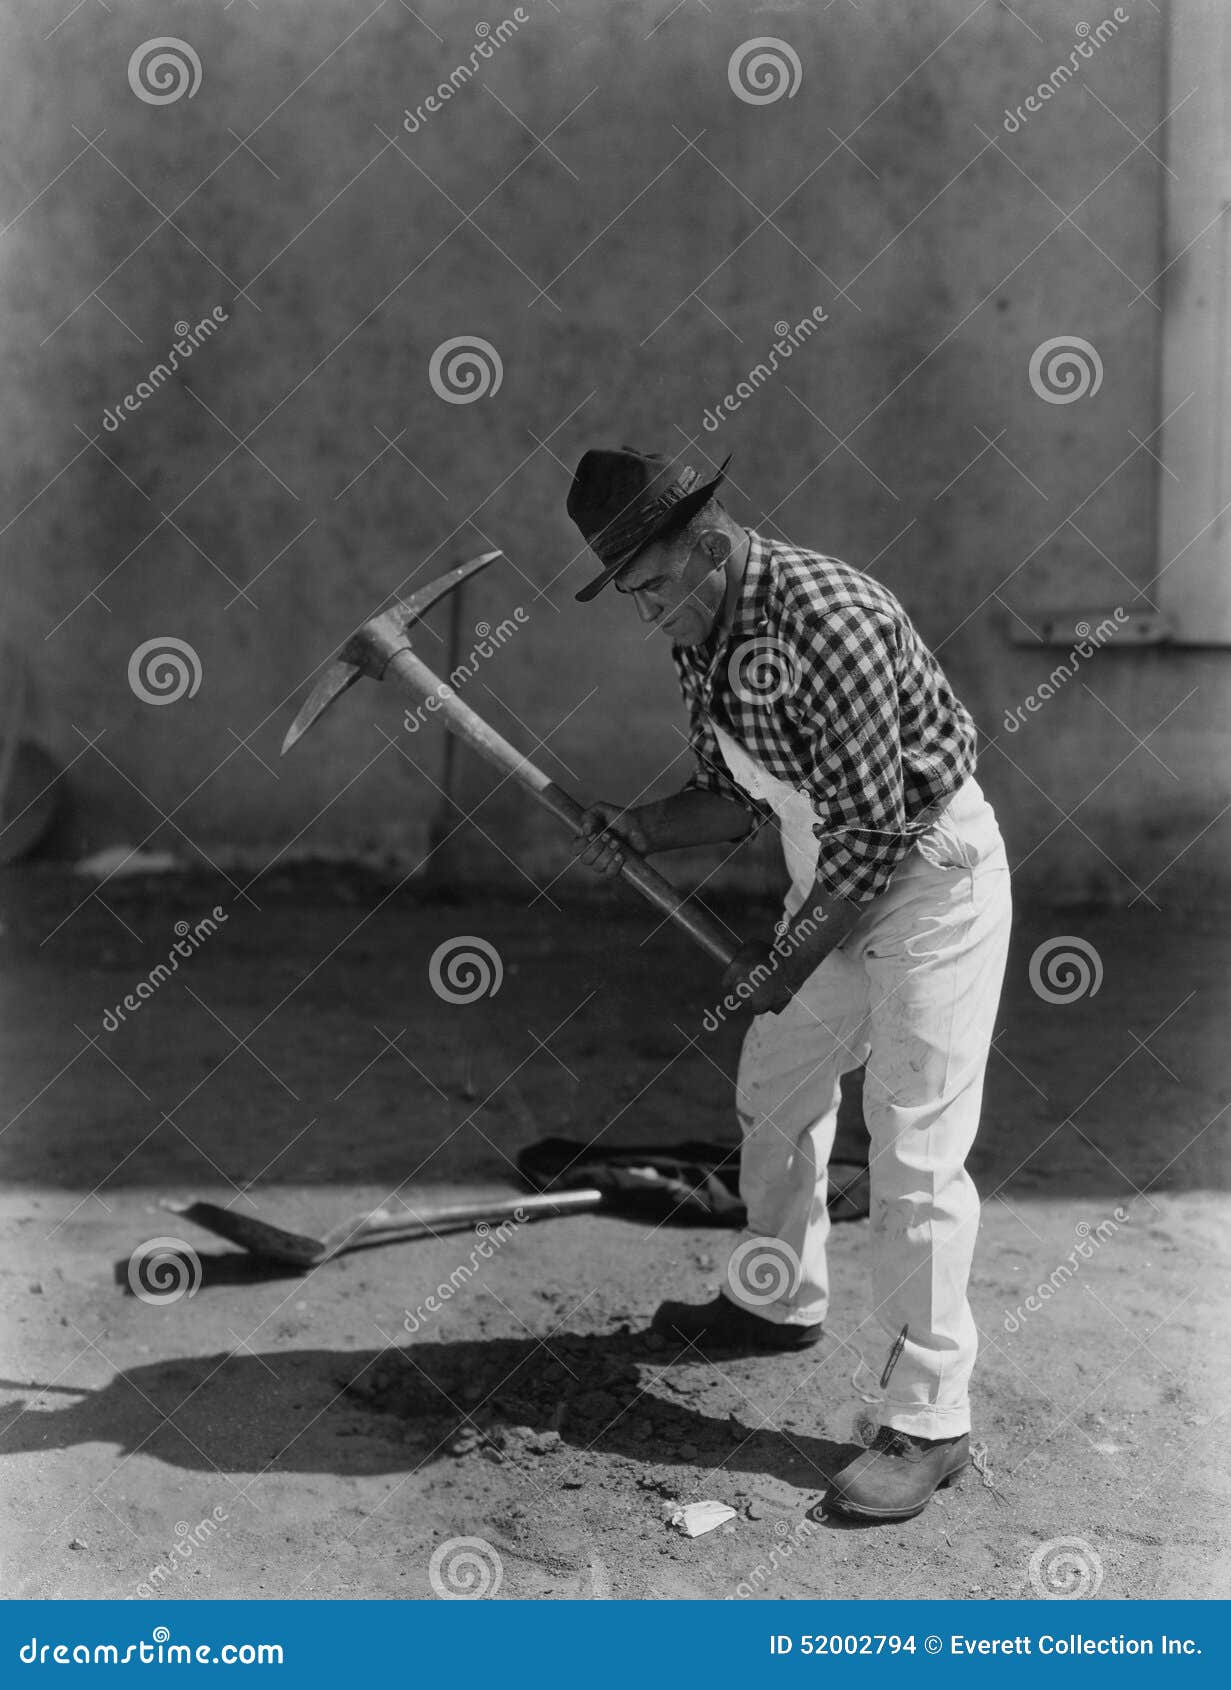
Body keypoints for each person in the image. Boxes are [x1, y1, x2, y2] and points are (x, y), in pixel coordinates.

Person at [567, 447, 1012, 1522]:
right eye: (629, 596)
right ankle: (777, 1297)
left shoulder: (829, 618)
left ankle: (929, 1420)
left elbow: (873, 834)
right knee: (776, 1084)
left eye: (652, 587)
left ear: (710, 545)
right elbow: (739, 794)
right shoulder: (704, 632)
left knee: (913, 1148)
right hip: (832, 875)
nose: (648, 615)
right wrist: (645, 827)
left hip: (926, 879)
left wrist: (780, 963)